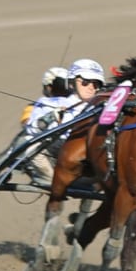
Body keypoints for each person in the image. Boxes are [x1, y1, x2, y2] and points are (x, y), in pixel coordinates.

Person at [22, 58, 105, 187]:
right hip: (59, 149)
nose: (91, 88)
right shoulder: (50, 103)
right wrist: (49, 118)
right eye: (85, 82)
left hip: (89, 156)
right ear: (71, 83)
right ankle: (52, 180)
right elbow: (32, 130)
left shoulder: (102, 107)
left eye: (96, 84)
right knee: (29, 144)